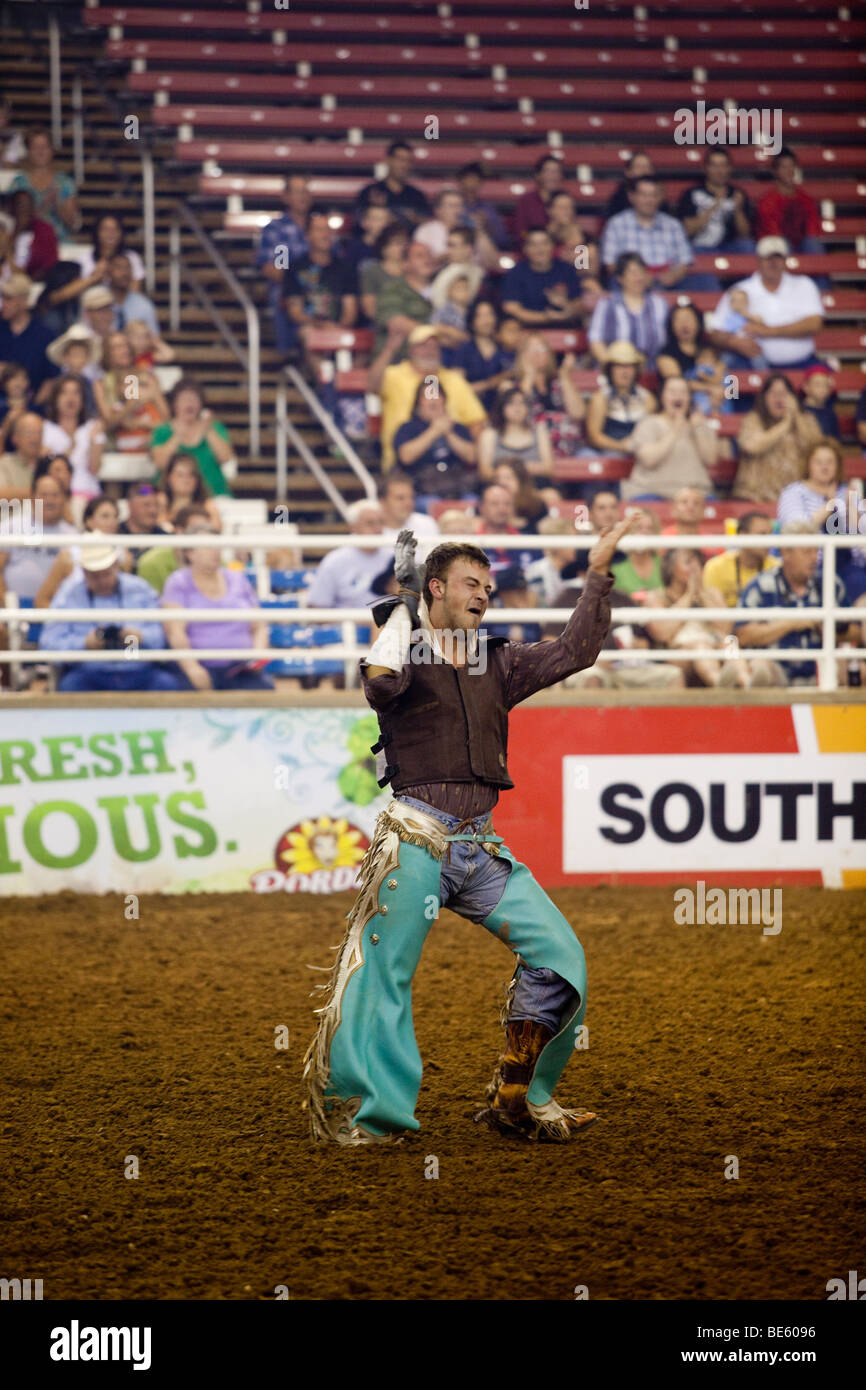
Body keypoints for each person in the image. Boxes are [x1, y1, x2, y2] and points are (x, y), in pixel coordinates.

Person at [303, 517, 635, 1145]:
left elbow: (577, 650)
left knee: (562, 960)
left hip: (479, 847)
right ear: (434, 589)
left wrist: (597, 573)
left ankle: (520, 1098)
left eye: (487, 584)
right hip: (415, 845)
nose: (483, 593)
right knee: (383, 979)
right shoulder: (402, 651)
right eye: (469, 583)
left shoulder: (500, 662)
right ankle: (373, 1119)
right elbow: (382, 685)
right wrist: (398, 618)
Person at [42, 542, 184, 692]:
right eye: (95, 576)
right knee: (70, 686)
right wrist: (83, 644)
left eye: (106, 574)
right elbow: (49, 644)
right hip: (89, 673)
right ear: (83, 572)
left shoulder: (140, 589)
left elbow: (163, 636)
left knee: (168, 685)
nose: (102, 582)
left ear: (116, 566)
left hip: (140, 670)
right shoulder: (68, 595)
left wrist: (141, 637)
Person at [161, 521, 274, 691]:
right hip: (200, 665)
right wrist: (192, 669)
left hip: (241, 667)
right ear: (189, 553)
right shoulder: (178, 582)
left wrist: (257, 657)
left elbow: (258, 626)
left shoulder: (238, 579)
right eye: (208, 547)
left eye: (217, 546)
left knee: (263, 688)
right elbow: (175, 632)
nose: (215, 552)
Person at [735, 521, 846, 686]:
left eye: (816, 551)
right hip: (778, 669)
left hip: (824, 667)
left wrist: (826, 625)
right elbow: (742, 635)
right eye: (807, 552)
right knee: (761, 667)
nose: (814, 558)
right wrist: (791, 623)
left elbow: (855, 631)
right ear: (785, 552)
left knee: (854, 666)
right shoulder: (761, 585)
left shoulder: (830, 583)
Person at [370, 323, 487, 471]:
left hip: (453, 467)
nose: (429, 351)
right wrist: (389, 350)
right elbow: (371, 386)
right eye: (423, 346)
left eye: (434, 346)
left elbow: (477, 422)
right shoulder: (394, 374)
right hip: (402, 466)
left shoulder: (454, 380)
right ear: (411, 350)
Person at [707, 237, 824, 370]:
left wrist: (767, 331)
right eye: (768, 258)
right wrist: (735, 342)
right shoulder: (740, 291)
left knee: (826, 380)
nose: (773, 263)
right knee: (731, 384)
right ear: (758, 261)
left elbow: (814, 324)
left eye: (778, 258)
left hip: (802, 362)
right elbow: (716, 333)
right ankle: (732, 391)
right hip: (749, 363)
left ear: (785, 260)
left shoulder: (804, 284)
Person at [642, 547, 745, 688]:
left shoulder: (713, 594)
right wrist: (689, 595)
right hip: (678, 653)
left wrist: (701, 593)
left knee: (730, 642)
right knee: (700, 645)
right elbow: (662, 633)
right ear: (671, 568)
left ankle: (747, 681)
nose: (695, 568)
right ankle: (718, 682)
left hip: (715, 644)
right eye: (688, 562)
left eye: (698, 562)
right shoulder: (655, 597)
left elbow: (726, 628)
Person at [623, 376, 718, 502]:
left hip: (696, 494)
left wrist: (698, 429)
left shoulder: (700, 424)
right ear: (662, 397)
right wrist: (674, 431)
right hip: (653, 492)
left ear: (689, 398)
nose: (678, 396)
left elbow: (711, 460)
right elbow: (649, 460)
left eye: (683, 392)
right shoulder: (649, 423)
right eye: (672, 392)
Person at [733, 373, 822, 503]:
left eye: (784, 394)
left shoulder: (806, 420)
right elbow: (752, 445)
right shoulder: (753, 419)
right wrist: (785, 424)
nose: (779, 399)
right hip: (755, 497)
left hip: (797, 498)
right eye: (774, 394)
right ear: (764, 398)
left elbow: (817, 449)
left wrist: (796, 417)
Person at [600, 176, 699, 290]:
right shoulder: (616, 224)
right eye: (644, 195)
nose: (649, 200)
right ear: (632, 197)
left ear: (661, 197)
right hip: (629, 286)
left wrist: (674, 275)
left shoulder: (673, 225)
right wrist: (639, 278)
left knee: (700, 281)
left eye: (654, 195)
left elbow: (685, 261)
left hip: (667, 285)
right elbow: (610, 264)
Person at [393, 381, 478, 504]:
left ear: (444, 400)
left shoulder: (458, 428)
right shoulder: (408, 428)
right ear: (418, 402)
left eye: (437, 395)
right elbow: (405, 457)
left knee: (473, 502)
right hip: (422, 490)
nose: (433, 400)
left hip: (458, 488)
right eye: (427, 396)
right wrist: (434, 431)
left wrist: (448, 432)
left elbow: (471, 457)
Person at [255, 174, 311, 357]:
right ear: (285, 197)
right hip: (293, 288)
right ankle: (288, 353)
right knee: (281, 293)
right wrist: (304, 285)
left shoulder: (320, 226)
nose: (302, 196)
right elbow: (278, 269)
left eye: (305, 191)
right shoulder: (279, 229)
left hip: (323, 287)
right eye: (296, 192)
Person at [151, 377, 236, 497]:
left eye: (194, 399)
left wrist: (208, 430)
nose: (190, 403)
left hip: (214, 494)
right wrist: (178, 435)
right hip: (172, 496)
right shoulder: (163, 430)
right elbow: (160, 462)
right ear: (175, 403)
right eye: (185, 399)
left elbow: (226, 458)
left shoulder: (214, 427)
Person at [283, 208, 357, 345]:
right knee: (308, 334)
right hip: (309, 327)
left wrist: (337, 327)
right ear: (307, 235)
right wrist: (321, 325)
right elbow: (295, 311)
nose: (325, 235)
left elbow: (350, 311)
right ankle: (322, 367)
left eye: (328, 230)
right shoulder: (295, 268)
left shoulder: (346, 268)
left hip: (340, 328)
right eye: (319, 230)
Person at [0, 473, 77, 604]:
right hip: (11, 609)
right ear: (32, 498)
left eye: (55, 495)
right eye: (43, 495)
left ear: (64, 499)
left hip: (56, 609)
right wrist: (7, 605)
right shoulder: (11, 526)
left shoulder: (73, 535)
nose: (49, 500)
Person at [306, 499, 392, 609]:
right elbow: (317, 607)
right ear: (353, 527)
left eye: (381, 522)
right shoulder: (335, 560)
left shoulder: (395, 557)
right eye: (370, 523)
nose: (377, 529)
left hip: (392, 623)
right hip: (348, 624)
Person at [587, 252, 669, 367]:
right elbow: (595, 341)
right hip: (616, 370)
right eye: (633, 273)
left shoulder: (659, 303)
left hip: (654, 369)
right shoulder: (606, 304)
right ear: (620, 278)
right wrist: (612, 368)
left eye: (642, 272)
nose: (639, 277)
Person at [513, 334, 587, 458]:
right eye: (531, 349)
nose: (537, 354)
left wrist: (565, 376)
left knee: (588, 456)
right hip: (531, 449)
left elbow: (578, 413)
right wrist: (529, 377)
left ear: (549, 355)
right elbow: (517, 414)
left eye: (541, 349)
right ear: (522, 356)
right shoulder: (513, 386)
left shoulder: (560, 383)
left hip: (569, 446)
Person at [94, 331, 168, 453]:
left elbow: (166, 418)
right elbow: (109, 423)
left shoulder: (147, 378)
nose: (124, 350)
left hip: (152, 443)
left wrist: (143, 424)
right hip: (118, 447)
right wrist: (130, 405)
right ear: (107, 353)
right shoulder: (101, 384)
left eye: (126, 345)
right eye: (117, 347)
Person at [41, 373, 105, 512]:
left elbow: (94, 469)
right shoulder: (45, 428)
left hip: (87, 493)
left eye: (76, 393)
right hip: (55, 495)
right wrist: (70, 449)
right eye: (64, 393)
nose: (71, 398)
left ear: (83, 400)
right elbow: (43, 468)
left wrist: (94, 442)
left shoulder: (93, 427)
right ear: (55, 398)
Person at [501, 228, 584, 328]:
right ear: (525, 249)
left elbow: (579, 304)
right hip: (526, 330)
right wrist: (547, 317)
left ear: (552, 246)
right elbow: (512, 309)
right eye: (533, 245)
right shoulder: (516, 273)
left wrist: (566, 307)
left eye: (544, 243)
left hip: (565, 326)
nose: (540, 249)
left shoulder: (566, 270)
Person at [585, 340, 656, 456]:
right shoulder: (600, 398)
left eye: (629, 366)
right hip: (607, 452)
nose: (624, 371)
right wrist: (621, 446)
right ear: (610, 369)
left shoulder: (647, 398)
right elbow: (594, 436)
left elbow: (651, 432)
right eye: (619, 366)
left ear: (635, 369)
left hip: (640, 453)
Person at [676, 150, 754, 253]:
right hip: (700, 247)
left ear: (730, 168)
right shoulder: (691, 194)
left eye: (723, 165)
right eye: (714, 166)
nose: (719, 171)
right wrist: (714, 206)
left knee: (748, 246)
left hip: (729, 247)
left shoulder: (738, 194)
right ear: (705, 168)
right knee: (686, 250)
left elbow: (745, 235)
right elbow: (687, 231)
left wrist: (738, 210)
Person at [446, 299, 516, 411]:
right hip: (472, 410)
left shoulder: (505, 348)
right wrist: (489, 384)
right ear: (472, 321)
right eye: (481, 316)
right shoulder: (464, 351)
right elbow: (456, 389)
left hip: (503, 411)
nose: (486, 321)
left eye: (489, 314)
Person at [9, 129, 78, 240]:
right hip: (27, 242)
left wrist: (57, 204)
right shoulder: (18, 183)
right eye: (35, 147)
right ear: (28, 151)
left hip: (58, 242)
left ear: (52, 150)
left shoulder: (65, 183)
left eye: (45, 147)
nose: (40, 152)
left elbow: (72, 223)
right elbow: (12, 220)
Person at [755, 147, 823, 255]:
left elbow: (813, 227)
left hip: (802, 245)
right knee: (782, 243)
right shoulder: (768, 201)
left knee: (813, 244)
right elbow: (772, 231)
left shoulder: (805, 199)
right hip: (775, 246)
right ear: (775, 171)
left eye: (792, 166)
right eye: (784, 167)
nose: (789, 171)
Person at [702, 511, 777, 608]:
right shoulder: (716, 567)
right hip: (724, 621)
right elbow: (711, 610)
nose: (768, 540)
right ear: (742, 535)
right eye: (762, 534)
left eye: (770, 534)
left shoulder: (776, 567)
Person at [0, 272, 58, 394]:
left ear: (24, 301)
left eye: (8, 299)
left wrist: (35, 407)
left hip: (33, 406)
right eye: (2, 298)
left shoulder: (44, 335)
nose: (3, 304)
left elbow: (51, 379)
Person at [478, 386, 553, 481]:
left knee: (550, 495)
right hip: (500, 486)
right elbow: (485, 473)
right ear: (502, 407)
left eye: (522, 403)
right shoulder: (489, 435)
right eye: (511, 403)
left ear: (528, 408)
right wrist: (515, 472)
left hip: (535, 485)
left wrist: (513, 469)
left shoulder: (540, 433)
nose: (517, 408)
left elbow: (549, 469)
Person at [137, 502, 213, 595]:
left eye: (209, 531)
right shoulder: (151, 563)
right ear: (179, 531)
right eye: (196, 530)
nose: (204, 536)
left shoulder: (216, 560)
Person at [354, 141, 432, 231]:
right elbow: (358, 223)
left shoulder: (417, 196)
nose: (404, 165)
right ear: (388, 160)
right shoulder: (370, 192)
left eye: (408, 161)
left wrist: (415, 219)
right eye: (400, 159)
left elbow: (428, 223)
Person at [777, 437, 850, 529]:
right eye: (818, 462)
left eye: (830, 462)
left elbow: (860, 532)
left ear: (838, 465)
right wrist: (830, 505)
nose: (824, 467)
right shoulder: (793, 492)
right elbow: (796, 529)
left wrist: (852, 507)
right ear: (808, 464)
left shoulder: (846, 492)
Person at [156, 454, 222, 531]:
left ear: (197, 479)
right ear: (168, 477)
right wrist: (162, 507)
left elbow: (215, 531)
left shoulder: (208, 505)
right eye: (180, 475)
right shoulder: (159, 501)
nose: (186, 480)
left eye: (191, 475)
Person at [377, 470, 440, 547]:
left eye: (411, 497)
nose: (408, 503)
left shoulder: (427, 524)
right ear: (382, 502)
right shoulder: (370, 531)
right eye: (400, 498)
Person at [513, 153, 567, 241]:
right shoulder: (526, 201)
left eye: (557, 171)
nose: (554, 176)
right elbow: (521, 233)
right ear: (538, 175)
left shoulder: (565, 199)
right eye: (549, 172)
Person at [456, 161, 509, 250]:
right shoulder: (453, 205)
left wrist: (487, 225)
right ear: (461, 181)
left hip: (482, 254)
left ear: (481, 183)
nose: (472, 182)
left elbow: (502, 241)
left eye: (476, 179)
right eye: (469, 178)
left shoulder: (487, 209)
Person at [7, 188, 58, 279]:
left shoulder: (44, 230)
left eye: (29, 205)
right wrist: (17, 231)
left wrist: (29, 278)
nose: (25, 209)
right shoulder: (5, 230)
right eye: (21, 205)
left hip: (32, 280)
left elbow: (50, 263)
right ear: (11, 208)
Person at [611, 507, 663, 596]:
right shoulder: (616, 569)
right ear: (630, 532)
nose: (644, 532)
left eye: (650, 528)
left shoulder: (664, 565)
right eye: (639, 527)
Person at [107, 253, 159, 334]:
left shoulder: (144, 305)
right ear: (108, 272)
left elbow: (153, 339)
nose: (124, 273)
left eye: (128, 268)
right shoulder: (96, 299)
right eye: (119, 268)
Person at [655, 302, 707, 380]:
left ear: (698, 323)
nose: (684, 325)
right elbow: (677, 383)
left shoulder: (708, 349)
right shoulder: (666, 354)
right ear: (671, 325)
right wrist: (711, 388)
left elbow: (720, 375)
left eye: (688, 319)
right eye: (678, 319)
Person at [0, 411, 45, 499]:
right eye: (29, 433)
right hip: (13, 512)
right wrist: (41, 494)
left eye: (39, 433)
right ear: (15, 438)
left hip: (42, 512)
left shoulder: (49, 464)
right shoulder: (4, 463)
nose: (35, 438)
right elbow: (2, 495)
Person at [603, 152, 657, 221]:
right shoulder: (618, 200)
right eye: (639, 167)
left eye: (647, 167)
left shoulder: (659, 197)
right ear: (628, 172)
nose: (644, 171)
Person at [799, 364, 840, 439]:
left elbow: (836, 441)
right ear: (806, 387)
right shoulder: (799, 410)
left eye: (826, 385)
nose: (822, 389)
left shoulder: (830, 413)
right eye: (817, 385)